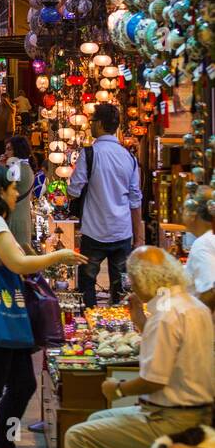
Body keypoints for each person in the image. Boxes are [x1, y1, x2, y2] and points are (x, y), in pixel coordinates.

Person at [0, 165, 87, 448]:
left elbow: (14, 259)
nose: (17, 192)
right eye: (12, 188)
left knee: (22, 385)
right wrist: (58, 256)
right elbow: (16, 264)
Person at [64, 247, 215, 448]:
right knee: (96, 420)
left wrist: (118, 389)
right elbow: (171, 349)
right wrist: (141, 320)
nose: (131, 286)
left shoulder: (166, 316)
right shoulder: (192, 306)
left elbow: (154, 381)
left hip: (170, 419)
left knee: (78, 437)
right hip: (194, 411)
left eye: (132, 280)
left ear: (143, 280)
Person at [68, 103, 144, 309]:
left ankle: (91, 324)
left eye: (92, 122)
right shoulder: (129, 157)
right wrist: (139, 237)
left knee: (87, 284)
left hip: (94, 232)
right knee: (121, 288)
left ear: (100, 124)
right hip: (122, 232)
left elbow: (74, 190)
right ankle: (120, 330)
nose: (91, 125)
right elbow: (135, 200)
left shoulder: (90, 154)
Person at [0, 136, 35, 251]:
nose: (5, 153)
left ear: (17, 150)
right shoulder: (25, 167)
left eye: (9, 149)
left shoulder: (16, 169)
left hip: (13, 220)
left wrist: (0, 167)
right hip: (23, 219)